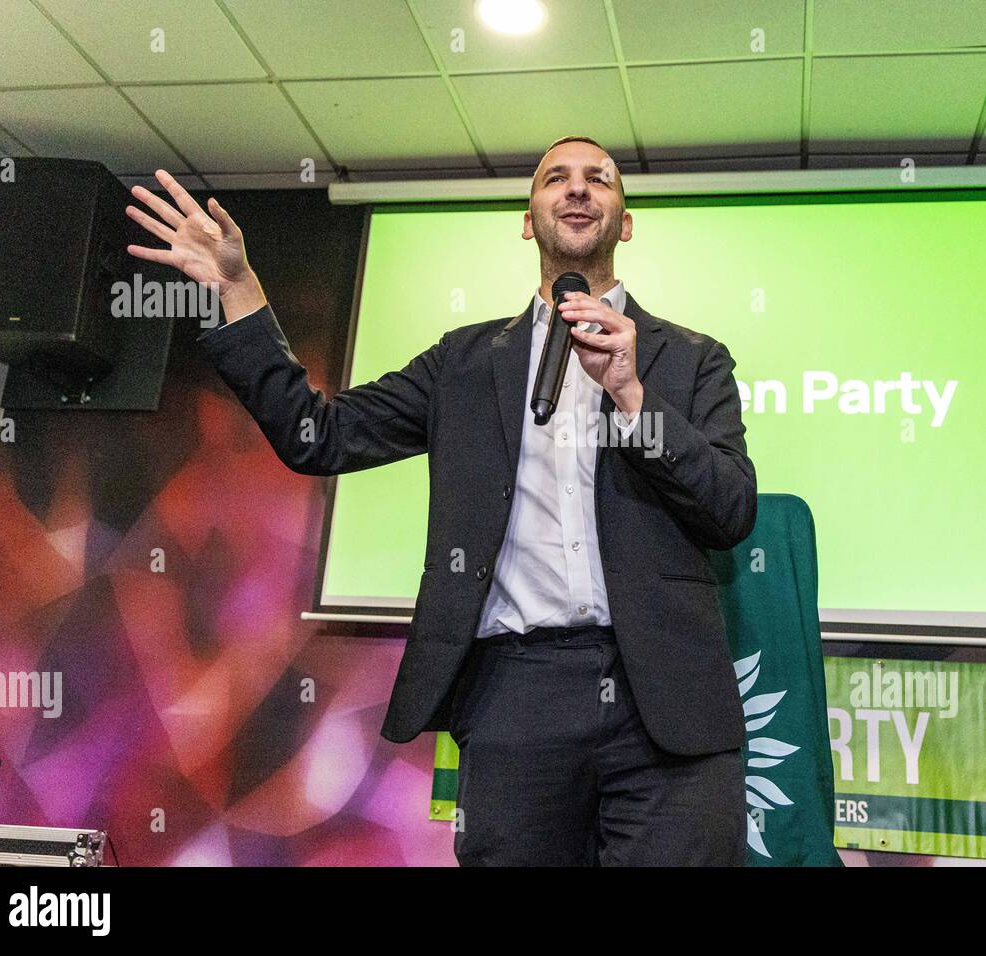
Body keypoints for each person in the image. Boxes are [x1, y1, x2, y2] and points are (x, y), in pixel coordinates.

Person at [125, 136, 757, 866]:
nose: (578, 190)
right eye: (556, 178)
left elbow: (730, 512)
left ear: (627, 219)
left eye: (599, 181)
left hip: (665, 698)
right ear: (529, 219)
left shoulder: (691, 359)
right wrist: (240, 289)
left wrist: (632, 394)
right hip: (519, 690)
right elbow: (317, 437)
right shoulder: (463, 361)